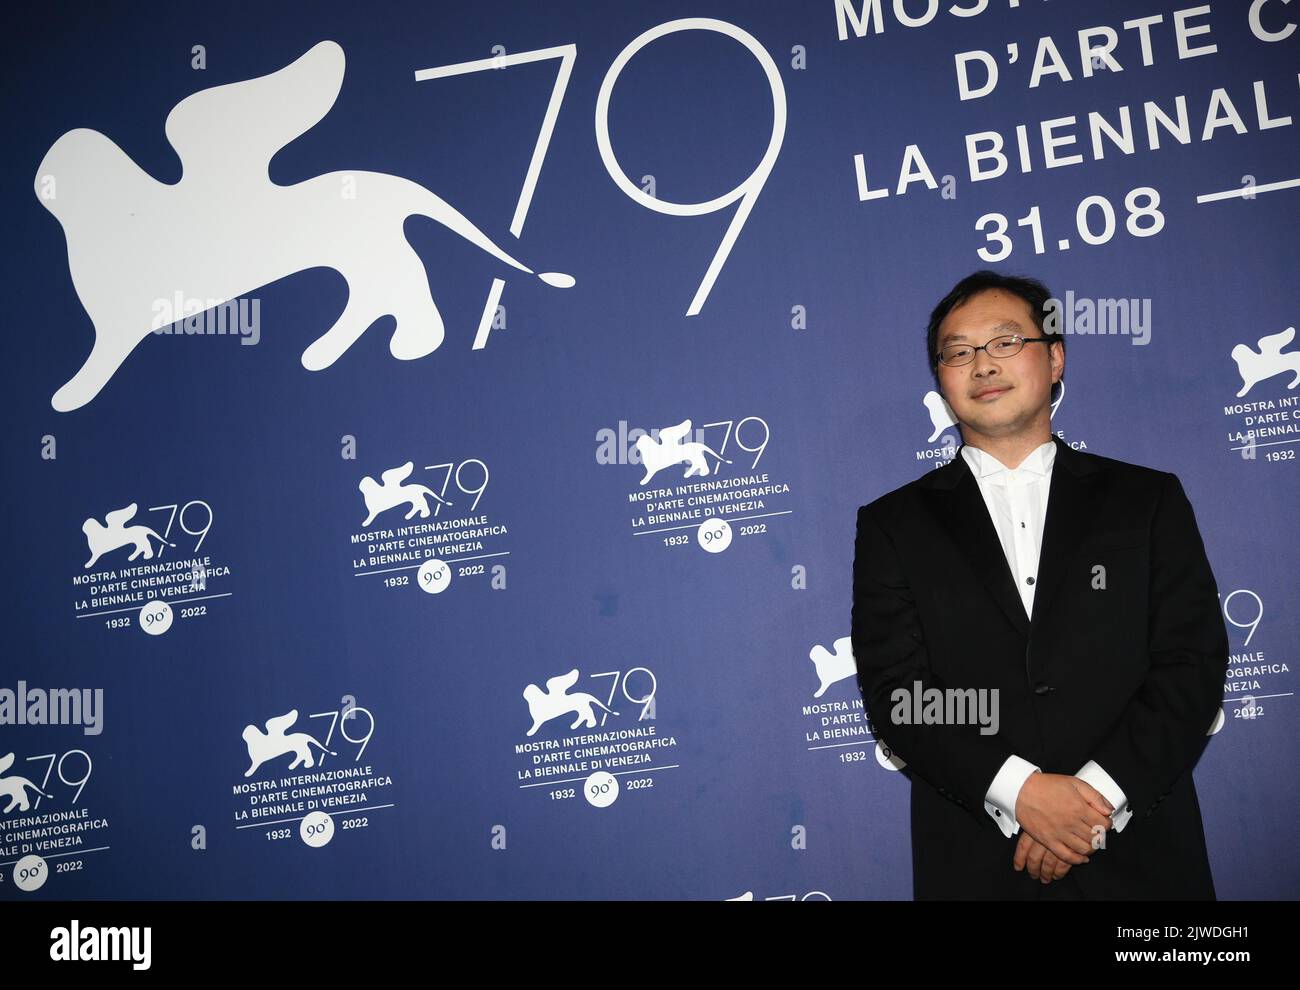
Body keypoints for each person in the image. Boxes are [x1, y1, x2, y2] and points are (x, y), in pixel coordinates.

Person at [851, 270, 1228, 899]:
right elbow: (899, 693)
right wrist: (1021, 793)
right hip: (978, 860)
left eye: (1005, 342)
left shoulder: (1146, 499)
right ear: (940, 380)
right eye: (958, 351)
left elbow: (1191, 664)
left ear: (1054, 359)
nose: (982, 365)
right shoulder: (893, 525)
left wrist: (1091, 806)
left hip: (1145, 856)